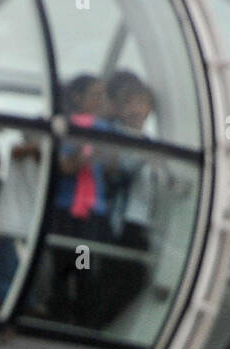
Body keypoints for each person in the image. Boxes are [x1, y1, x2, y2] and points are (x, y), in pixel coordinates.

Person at [49, 74, 114, 326]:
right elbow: (65, 167)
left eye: (102, 95)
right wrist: (86, 155)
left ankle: (83, 319)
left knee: (84, 264)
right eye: (95, 94)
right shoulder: (67, 126)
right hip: (67, 209)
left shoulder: (105, 129)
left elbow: (112, 166)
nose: (100, 100)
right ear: (78, 97)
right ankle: (60, 316)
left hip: (90, 212)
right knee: (63, 264)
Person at [97, 71, 157, 327]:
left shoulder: (148, 142)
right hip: (119, 220)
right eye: (129, 104)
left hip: (142, 221)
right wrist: (145, 156)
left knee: (133, 281)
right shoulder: (114, 136)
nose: (135, 109)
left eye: (140, 103)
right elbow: (114, 173)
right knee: (110, 276)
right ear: (119, 109)